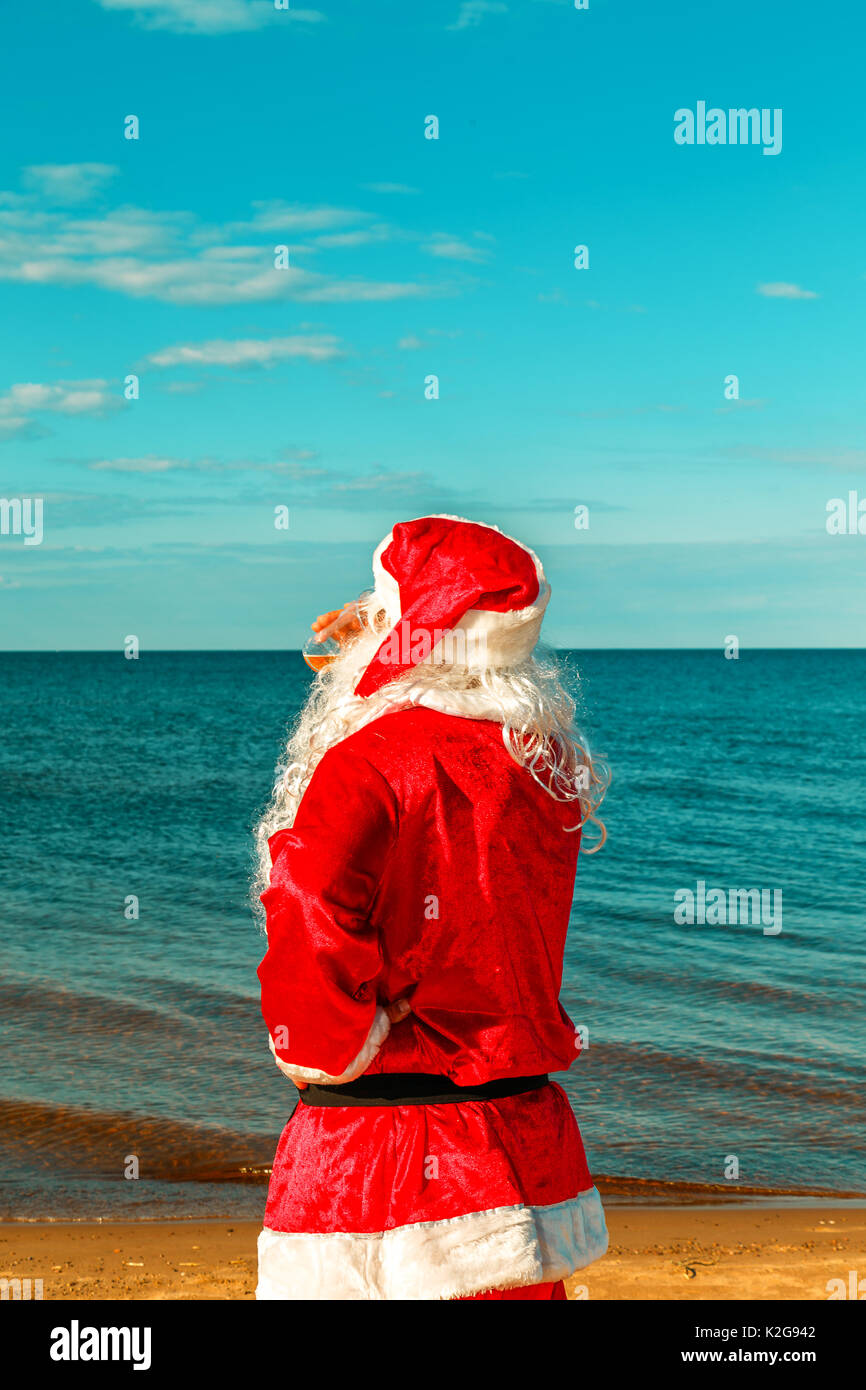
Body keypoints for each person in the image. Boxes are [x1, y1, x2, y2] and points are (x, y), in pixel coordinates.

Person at [253, 514, 609, 1300]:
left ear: (405, 630)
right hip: (518, 1144)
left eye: (383, 611)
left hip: (386, 1166)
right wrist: (391, 627)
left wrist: (334, 1040)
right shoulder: (547, 767)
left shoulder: (366, 761)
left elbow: (307, 899)